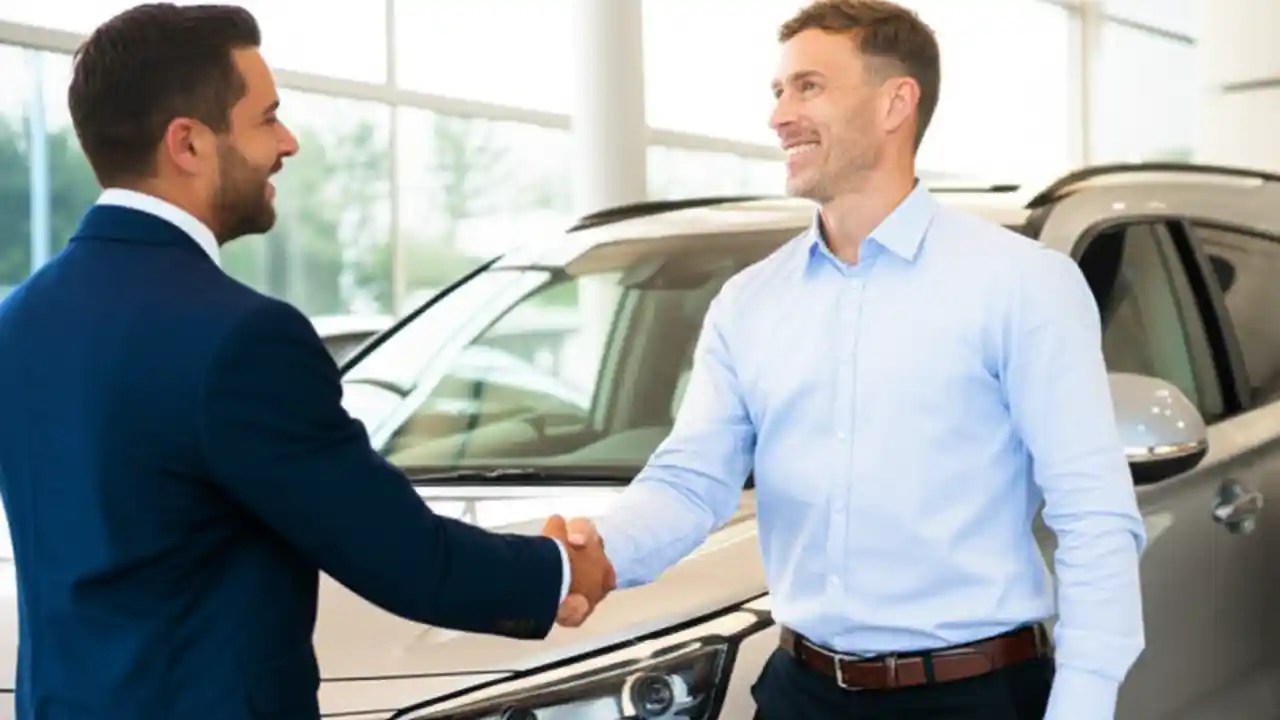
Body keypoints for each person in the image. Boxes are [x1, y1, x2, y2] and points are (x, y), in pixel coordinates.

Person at [0, 5, 611, 719]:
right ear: (188, 143)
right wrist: (558, 569)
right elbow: (402, 555)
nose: (287, 143)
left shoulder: (19, 321)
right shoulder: (240, 338)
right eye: (267, 119)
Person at [557, 1, 1146, 718]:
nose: (779, 116)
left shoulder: (1023, 284)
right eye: (779, 91)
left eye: (808, 87)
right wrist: (597, 553)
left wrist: (1084, 701)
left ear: (896, 102)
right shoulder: (749, 302)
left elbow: (1094, 515)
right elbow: (690, 481)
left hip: (973, 697)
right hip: (798, 691)